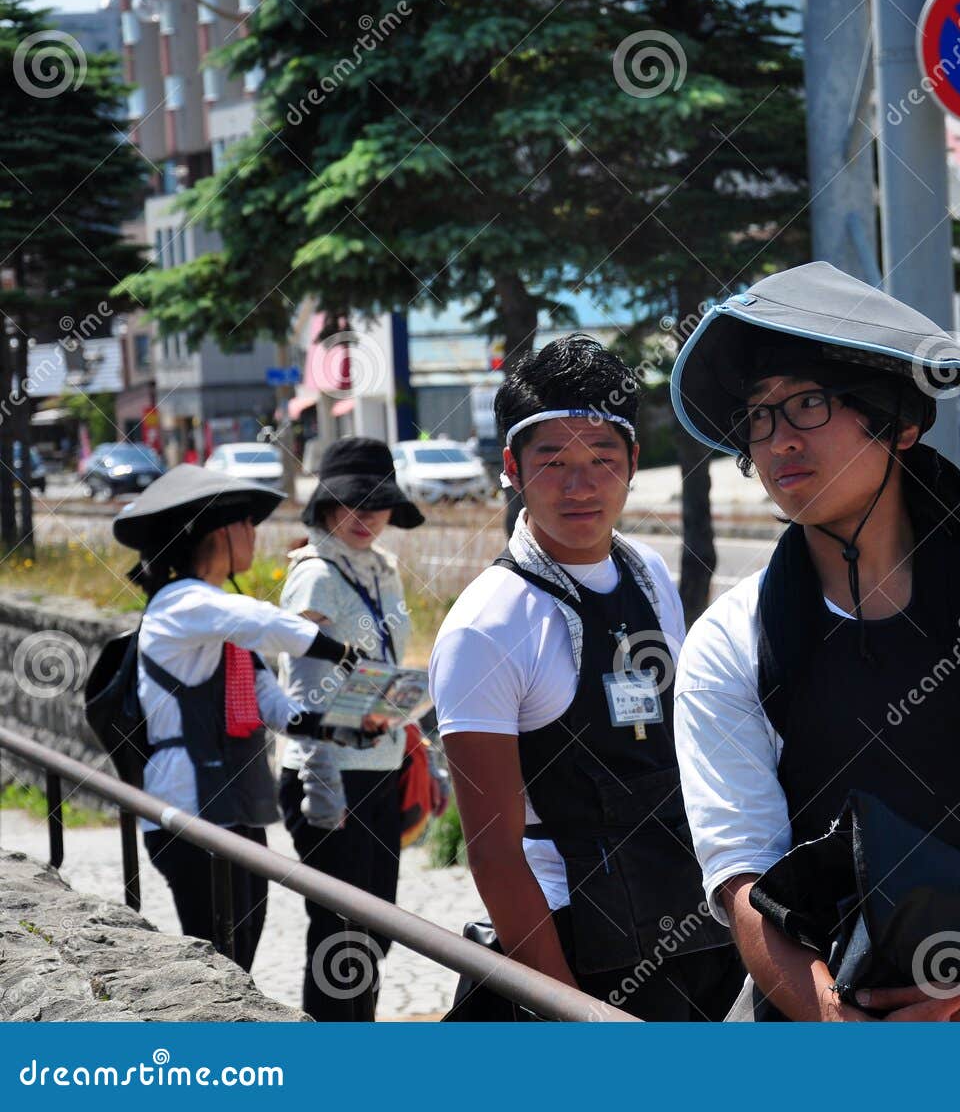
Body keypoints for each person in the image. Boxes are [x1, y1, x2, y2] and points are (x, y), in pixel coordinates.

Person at [669, 261, 960, 1021]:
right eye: (758, 416)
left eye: (808, 403)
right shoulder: (727, 641)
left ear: (898, 420)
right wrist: (834, 1018)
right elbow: (740, 873)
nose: (779, 437)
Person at [430, 335, 744, 1020]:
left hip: (685, 914)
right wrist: (569, 1008)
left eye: (603, 458)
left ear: (634, 462)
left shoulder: (649, 573)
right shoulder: (486, 626)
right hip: (573, 933)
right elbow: (494, 854)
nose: (581, 485)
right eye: (554, 461)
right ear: (512, 466)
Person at [111, 465, 377, 971]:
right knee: (215, 951)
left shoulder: (221, 628)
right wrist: (341, 651)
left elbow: (277, 709)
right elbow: (260, 620)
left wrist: (347, 728)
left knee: (242, 949)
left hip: (237, 804)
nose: (255, 536)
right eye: (247, 525)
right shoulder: (181, 603)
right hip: (187, 808)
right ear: (218, 534)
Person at [276, 436, 426, 1021]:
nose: (367, 518)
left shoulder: (381, 568)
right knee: (339, 928)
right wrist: (321, 779)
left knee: (373, 924)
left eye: (379, 504)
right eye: (352, 504)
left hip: (379, 763)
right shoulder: (315, 574)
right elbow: (295, 685)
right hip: (329, 771)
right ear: (325, 507)